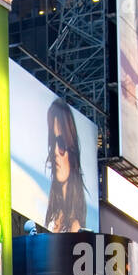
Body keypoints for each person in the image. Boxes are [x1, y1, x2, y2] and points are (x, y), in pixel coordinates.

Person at [44, 99, 88, 232]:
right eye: (53, 142)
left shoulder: (75, 224)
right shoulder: (54, 210)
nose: (56, 151)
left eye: (61, 143)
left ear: (72, 150)